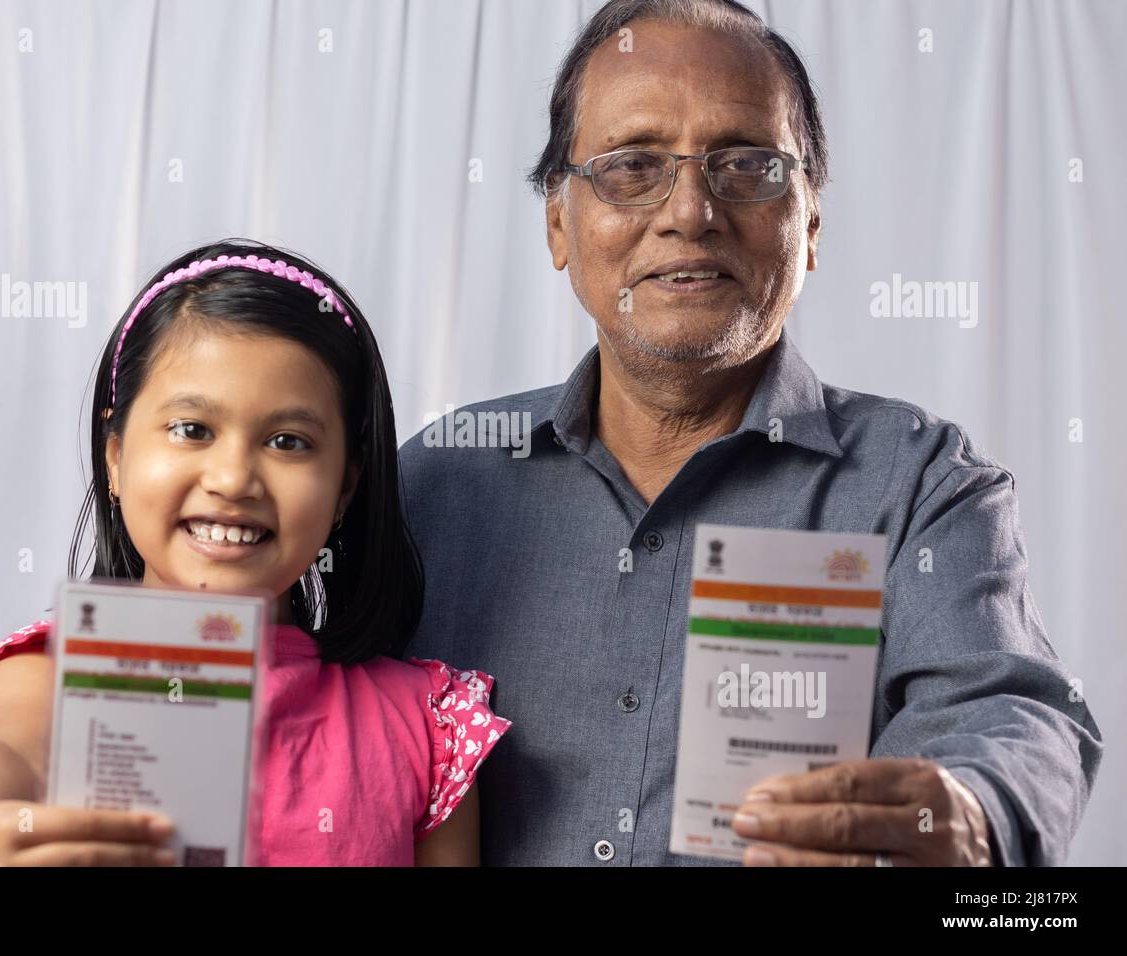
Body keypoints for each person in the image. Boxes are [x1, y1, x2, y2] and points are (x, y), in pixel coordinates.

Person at [398, 0, 1101, 866]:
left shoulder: (920, 486)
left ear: (808, 223)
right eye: (631, 166)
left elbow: (1012, 714)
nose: (689, 210)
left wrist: (968, 807)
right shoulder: (434, 482)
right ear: (558, 223)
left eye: (746, 165)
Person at [0, 239, 510, 866]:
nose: (232, 478)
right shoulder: (47, 681)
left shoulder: (427, 725)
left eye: (288, 441)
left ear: (345, 488)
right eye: (192, 430)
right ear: (116, 456)